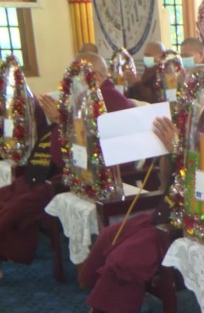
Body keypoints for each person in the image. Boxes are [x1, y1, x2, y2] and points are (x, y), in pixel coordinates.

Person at [0, 53, 133, 274]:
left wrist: (62, 121)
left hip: (99, 178)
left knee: (16, 209)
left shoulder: (111, 101)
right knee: (8, 194)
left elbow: (92, 154)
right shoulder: (82, 99)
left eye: (76, 78)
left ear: (95, 76)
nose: (71, 85)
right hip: (73, 173)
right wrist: (62, 122)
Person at [56, 116, 178, 313]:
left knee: (125, 257)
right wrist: (168, 153)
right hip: (168, 209)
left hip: (195, 223)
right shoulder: (190, 120)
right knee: (109, 236)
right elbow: (166, 184)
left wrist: (177, 150)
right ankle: (104, 309)